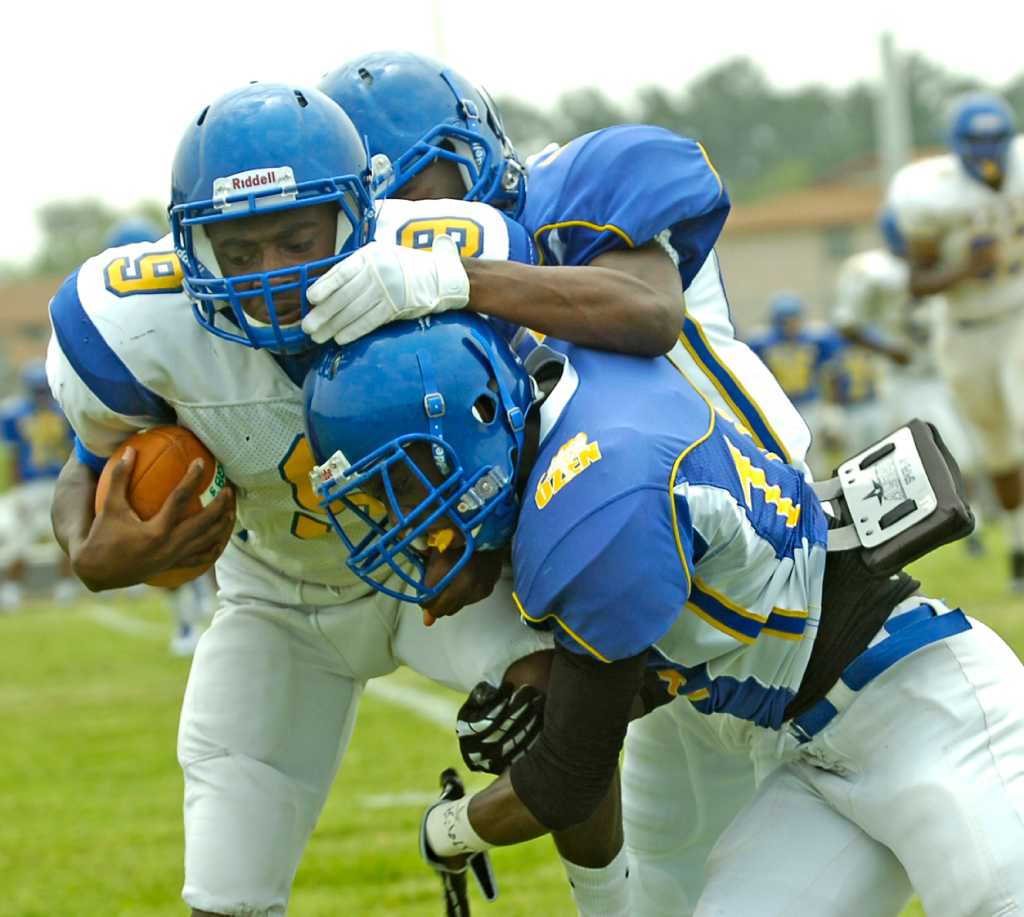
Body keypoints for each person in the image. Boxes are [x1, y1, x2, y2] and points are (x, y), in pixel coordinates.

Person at [46, 76, 713, 916]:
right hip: (278, 597)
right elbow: (87, 458)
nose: (268, 278)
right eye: (237, 251)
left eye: (296, 238)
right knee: (227, 870)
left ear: (359, 210)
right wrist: (87, 549)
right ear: (190, 246)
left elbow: (545, 410)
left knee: (559, 704)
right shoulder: (133, 324)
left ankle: (615, 904)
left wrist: (491, 539)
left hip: (441, 579)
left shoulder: (441, 258)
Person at [304, 311, 1024, 917]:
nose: (403, 523)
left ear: (475, 427)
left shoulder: (594, 504)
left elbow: (568, 779)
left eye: (407, 486)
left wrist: (448, 830)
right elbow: (657, 662)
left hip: (927, 706)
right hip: (816, 753)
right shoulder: (572, 413)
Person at [315, 50, 819, 914]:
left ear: (470, 146)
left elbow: (646, 316)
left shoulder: (568, 191)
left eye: (418, 186)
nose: (409, 217)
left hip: (762, 550)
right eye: (384, 205)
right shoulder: (389, 289)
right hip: (660, 615)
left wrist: (459, 275)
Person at [886, 91, 1024, 589]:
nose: (988, 151)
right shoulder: (928, 192)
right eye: (976, 140)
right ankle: (1017, 544)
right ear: (955, 145)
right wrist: (963, 269)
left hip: (1019, 314)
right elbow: (917, 282)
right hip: (964, 329)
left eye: (996, 139)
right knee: (998, 450)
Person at [101, 217, 217, 656]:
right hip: (163, 437)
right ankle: (189, 615)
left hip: (202, 429)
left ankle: (199, 606)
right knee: (166, 524)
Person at [0, 360, 75, 607]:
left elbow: (69, 452)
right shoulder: (16, 414)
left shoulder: (62, 411)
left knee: (64, 538)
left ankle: (65, 586)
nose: (42, 396)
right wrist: (17, 489)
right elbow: (13, 456)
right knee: (20, 539)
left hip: (55, 481)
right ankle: (12, 589)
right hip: (31, 485)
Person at [747, 292, 844, 475]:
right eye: (787, 320)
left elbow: (830, 374)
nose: (792, 324)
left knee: (815, 456)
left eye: (795, 318)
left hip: (810, 404)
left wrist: (831, 409)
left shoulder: (816, 339)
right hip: (779, 406)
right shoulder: (762, 342)